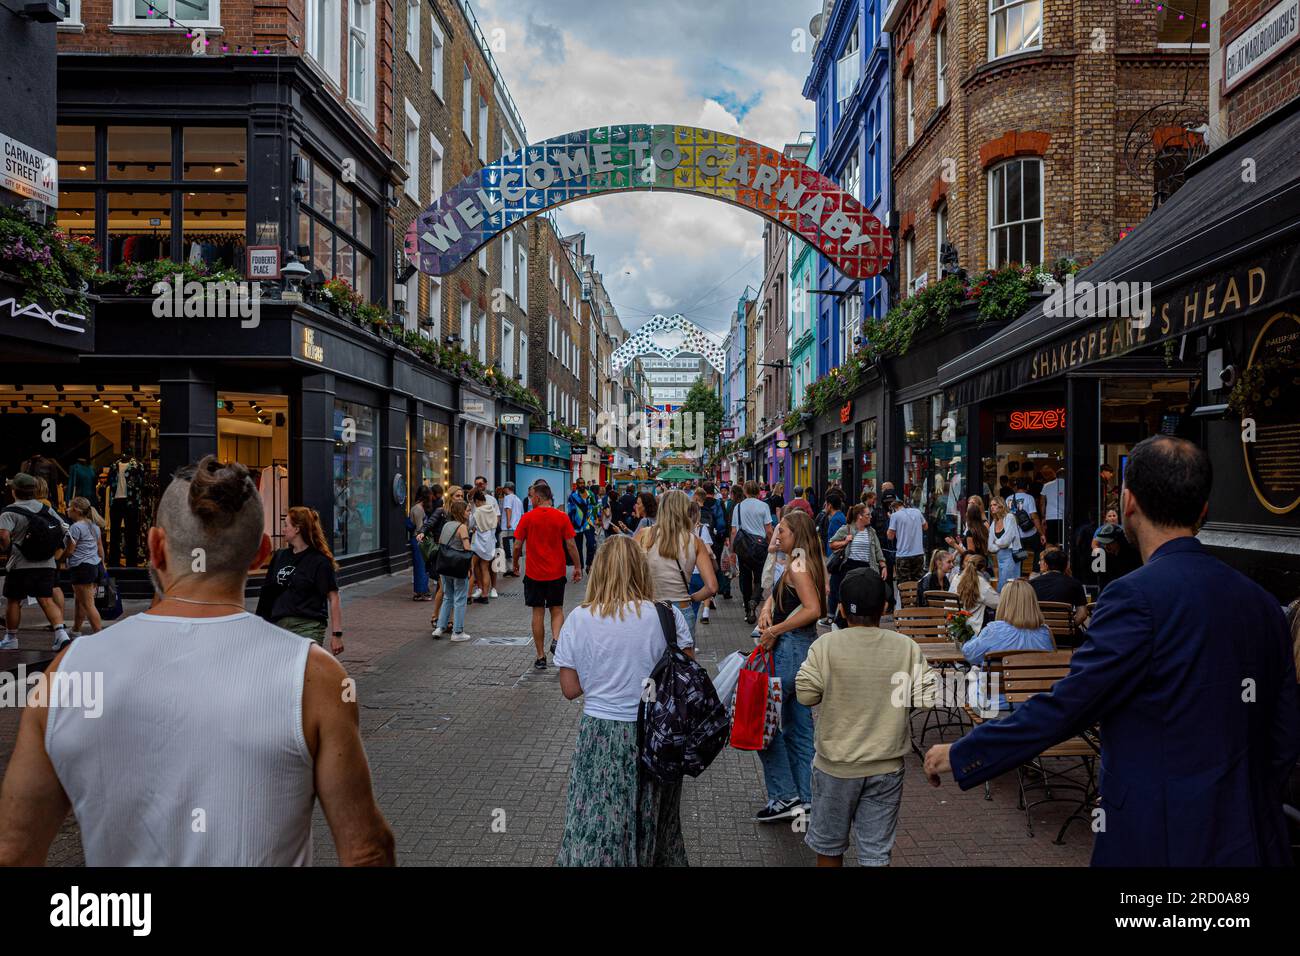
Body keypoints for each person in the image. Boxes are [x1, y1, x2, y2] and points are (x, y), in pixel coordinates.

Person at [0, 456, 395, 865]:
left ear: (155, 548)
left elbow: (14, 853)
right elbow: (366, 850)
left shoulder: (69, 672)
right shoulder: (315, 677)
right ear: (261, 553)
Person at [925, 435, 1300, 866]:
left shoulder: (1132, 600)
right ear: (1204, 511)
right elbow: (1284, 734)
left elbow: (1068, 705)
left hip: (1157, 839)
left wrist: (964, 751)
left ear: (1128, 503)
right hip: (1252, 841)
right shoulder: (1264, 605)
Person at [554, 535, 693, 866]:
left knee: (599, 819)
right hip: (657, 736)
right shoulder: (667, 616)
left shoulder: (579, 619)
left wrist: (604, 677)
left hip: (600, 733)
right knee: (656, 819)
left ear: (599, 571)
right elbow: (687, 674)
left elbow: (570, 688)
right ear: (641, 570)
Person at [797, 567, 937, 866]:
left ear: (842, 609)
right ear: (885, 608)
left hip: (835, 766)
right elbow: (927, 697)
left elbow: (806, 695)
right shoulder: (906, 647)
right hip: (886, 766)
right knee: (875, 854)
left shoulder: (825, 646)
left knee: (829, 848)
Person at [753, 511, 826, 821]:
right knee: (798, 726)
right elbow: (778, 592)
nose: (776, 535)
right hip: (801, 650)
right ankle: (808, 799)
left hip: (790, 650)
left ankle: (784, 796)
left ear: (796, 534)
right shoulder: (799, 560)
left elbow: (813, 609)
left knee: (759, 721)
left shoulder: (798, 564)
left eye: (782, 530)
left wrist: (774, 631)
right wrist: (767, 609)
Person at [255, 506, 344, 653]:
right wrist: (259, 626)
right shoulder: (279, 556)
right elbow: (267, 594)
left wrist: (337, 634)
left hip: (307, 627)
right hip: (279, 627)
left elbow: (333, 597)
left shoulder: (319, 561)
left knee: (303, 673)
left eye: (286, 525)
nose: (283, 529)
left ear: (297, 529)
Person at [513, 482, 581, 670]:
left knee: (537, 612)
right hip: (556, 572)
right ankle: (557, 640)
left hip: (534, 573)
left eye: (531, 496)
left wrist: (515, 563)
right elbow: (571, 545)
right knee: (557, 609)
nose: (530, 499)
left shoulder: (527, 518)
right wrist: (577, 567)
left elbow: (517, 545)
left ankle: (540, 656)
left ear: (538, 497)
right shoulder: (561, 517)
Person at [0, 473, 71, 651]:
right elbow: (65, 530)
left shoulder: (9, 511)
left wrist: (7, 548)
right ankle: (61, 634)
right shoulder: (46, 510)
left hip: (20, 564)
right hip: (46, 564)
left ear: (15, 491)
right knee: (46, 599)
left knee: (14, 601)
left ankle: (11, 637)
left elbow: (3, 535)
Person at [960, 579, 1055, 710]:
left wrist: (975, 635)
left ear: (1004, 602)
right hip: (1036, 702)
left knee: (972, 679)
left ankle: (984, 730)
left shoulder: (994, 630)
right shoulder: (1045, 633)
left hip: (997, 704)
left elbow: (969, 654)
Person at [634, 490, 716, 639]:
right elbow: (712, 587)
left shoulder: (643, 535)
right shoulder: (695, 541)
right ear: (685, 510)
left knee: (652, 659)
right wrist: (691, 598)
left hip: (650, 608)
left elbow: (629, 573)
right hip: (682, 609)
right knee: (684, 660)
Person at [730, 480, 773, 626]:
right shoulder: (764, 506)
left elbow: (734, 531)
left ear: (745, 492)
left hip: (743, 547)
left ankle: (748, 610)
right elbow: (768, 530)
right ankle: (755, 599)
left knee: (745, 577)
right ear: (758, 491)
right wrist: (771, 545)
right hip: (760, 547)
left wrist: (732, 551)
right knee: (760, 577)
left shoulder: (739, 507)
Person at [431, 498, 474, 642]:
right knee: (460, 598)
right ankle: (458, 631)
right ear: (461, 512)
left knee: (447, 596)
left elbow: (442, 543)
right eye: (468, 510)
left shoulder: (446, 525)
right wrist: (470, 568)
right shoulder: (462, 527)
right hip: (458, 566)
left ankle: (439, 627)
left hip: (445, 566)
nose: (469, 513)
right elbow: (467, 549)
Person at [63, 496, 106, 636]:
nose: (67, 509)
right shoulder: (94, 526)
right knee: (80, 600)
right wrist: (103, 565)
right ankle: (76, 629)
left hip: (81, 567)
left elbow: (70, 550)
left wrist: (60, 559)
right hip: (93, 566)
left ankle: (99, 634)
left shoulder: (75, 528)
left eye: (69, 507)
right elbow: (100, 548)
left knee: (88, 603)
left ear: (76, 510)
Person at [1029, 547, 1090, 627]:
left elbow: (1028, 611)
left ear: (1046, 565)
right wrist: (1070, 626)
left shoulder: (1033, 583)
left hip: (1040, 633)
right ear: (1066, 566)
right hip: (1066, 635)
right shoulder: (1075, 584)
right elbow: (1082, 614)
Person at [887, 497, 927, 604]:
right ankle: (917, 606)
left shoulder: (895, 516)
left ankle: (905, 609)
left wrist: (890, 518)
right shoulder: (917, 512)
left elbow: (890, 536)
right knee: (918, 582)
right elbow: (925, 526)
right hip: (918, 553)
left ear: (894, 509)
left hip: (903, 555)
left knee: (903, 584)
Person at [1091, 521, 1141, 594]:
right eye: (1104, 543)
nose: (1106, 546)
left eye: (1109, 543)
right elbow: (1103, 583)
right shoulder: (1104, 556)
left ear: (1118, 541)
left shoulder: (1134, 555)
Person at [954, 553, 1000, 632]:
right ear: (983, 569)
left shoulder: (957, 578)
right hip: (975, 627)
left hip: (958, 624)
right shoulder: (981, 583)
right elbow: (998, 603)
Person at [467, 489, 498, 604]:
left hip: (478, 543)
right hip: (489, 543)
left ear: (477, 501)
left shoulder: (477, 512)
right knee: (485, 569)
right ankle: (485, 595)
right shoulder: (492, 510)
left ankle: (468, 596)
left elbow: (469, 526)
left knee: (471, 568)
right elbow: (495, 527)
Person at [1008, 477, 1046, 569]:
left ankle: (1019, 572)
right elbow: (1034, 517)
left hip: (1015, 535)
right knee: (1040, 548)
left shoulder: (1008, 499)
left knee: (1020, 553)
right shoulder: (1029, 498)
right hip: (1029, 533)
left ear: (1016, 486)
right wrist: (1042, 534)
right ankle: (1035, 571)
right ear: (1027, 486)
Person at [987, 495, 1022, 593]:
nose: (992, 507)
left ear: (1001, 506)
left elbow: (1007, 540)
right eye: (991, 505)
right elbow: (990, 546)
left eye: (995, 505)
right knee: (1004, 581)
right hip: (1000, 555)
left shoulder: (1009, 517)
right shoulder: (994, 522)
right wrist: (998, 546)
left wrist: (996, 543)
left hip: (1012, 553)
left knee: (1007, 583)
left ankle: (1002, 604)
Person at [407, 485, 433, 602]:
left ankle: (422, 590)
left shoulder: (418, 507)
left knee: (422, 566)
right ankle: (421, 592)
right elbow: (419, 528)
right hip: (419, 540)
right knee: (421, 566)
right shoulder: (418, 509)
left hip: (419, 539)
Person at [566, 478, 598, 572]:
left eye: (583, 483)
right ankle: (580, 567)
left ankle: (589, 564)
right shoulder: (573, 496)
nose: (582, 485)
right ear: (577, 484)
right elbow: (570, 509)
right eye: (580, 483)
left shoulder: (590, 494)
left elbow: (595, 506)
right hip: (577, 523)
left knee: (591, 543)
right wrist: (570, 522)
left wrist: (596, 517)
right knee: (578, 546)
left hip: (588, 521)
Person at [500, 482, 523, 574]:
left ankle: (510, 569)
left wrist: (508, 522)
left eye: (504, 488)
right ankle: (517, 569)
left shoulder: (508, 498)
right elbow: (522, 514)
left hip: (508, 527)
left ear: (507, 488)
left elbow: (508, 509)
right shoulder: (518, 499)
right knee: (516, 548)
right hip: (516, 527)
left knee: (506, 548)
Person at [1040, 465, 1065, 546]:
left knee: (1050, 541)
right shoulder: (1069, 485)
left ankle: (1050, 557)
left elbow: (1042, 503)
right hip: (1064, 517)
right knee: (1063, 541)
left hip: (1050, 517)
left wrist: (1043, 517)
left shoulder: (1046, 485)